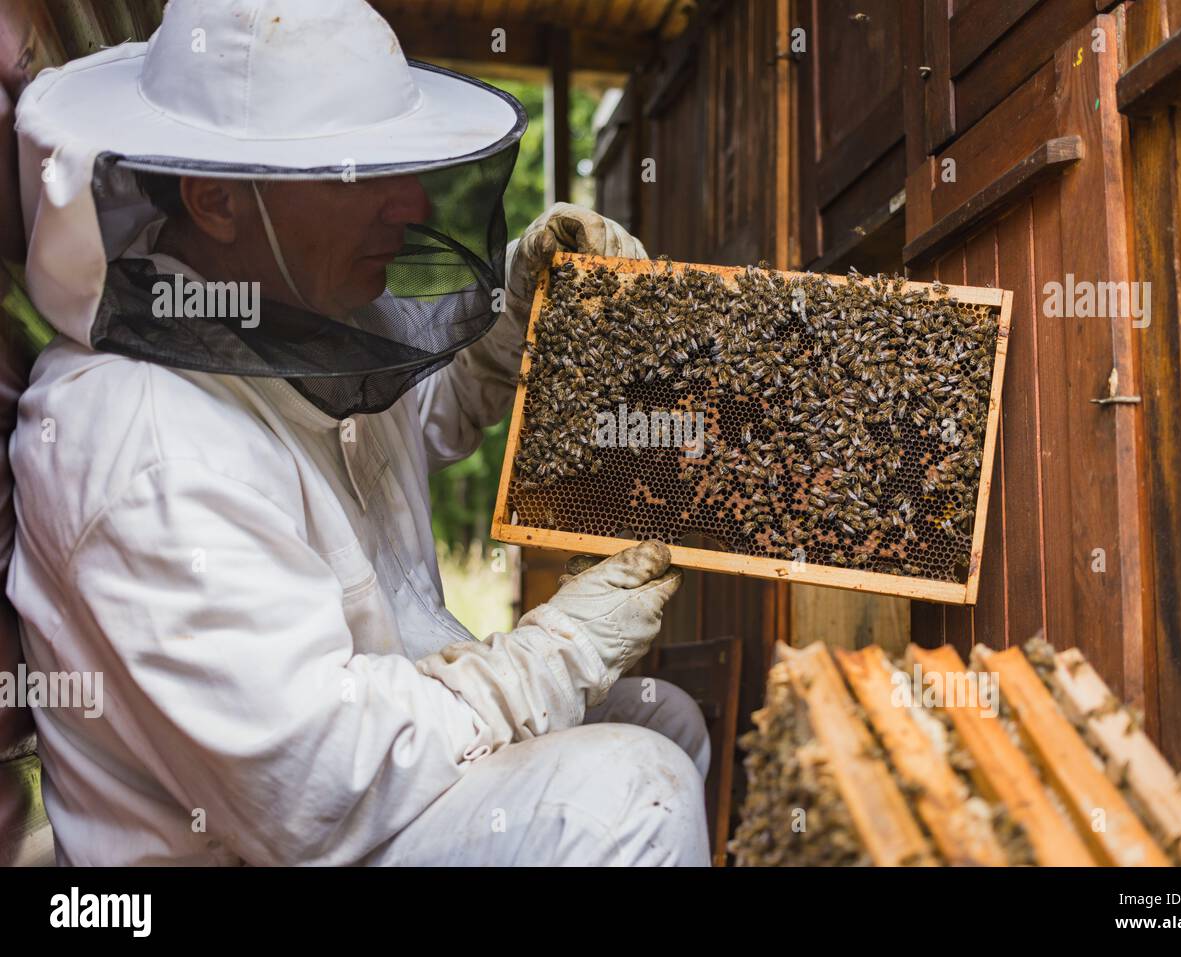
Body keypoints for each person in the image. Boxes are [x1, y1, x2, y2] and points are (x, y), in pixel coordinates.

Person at [7, 0, 709, 866]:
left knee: (659, 715)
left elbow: (413, 423)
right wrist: (558, 652)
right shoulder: (141, 445)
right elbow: (318, 779)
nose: (410, 202)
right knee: (629, 794)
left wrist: (518, 319)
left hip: (374, 765)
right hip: (266, 838)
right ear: (218, 199)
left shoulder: (287, 307)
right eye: (356, 172)